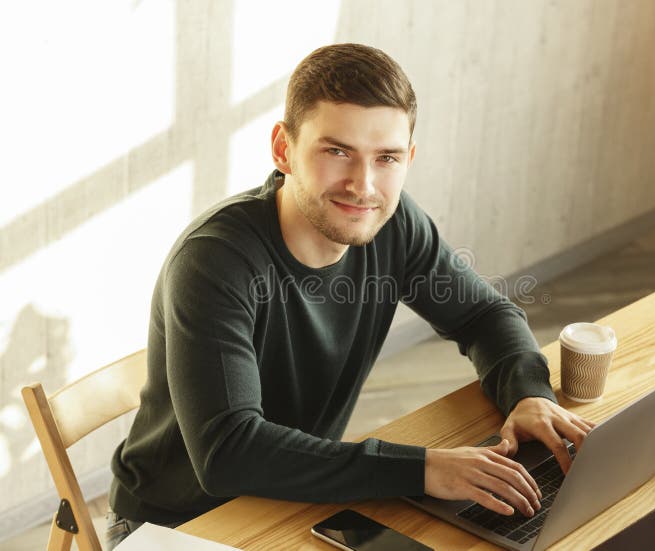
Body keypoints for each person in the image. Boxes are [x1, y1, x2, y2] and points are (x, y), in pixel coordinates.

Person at [106, 43, 595, 548]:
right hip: (176, 522)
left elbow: (484, 314)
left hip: (298, 495)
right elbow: (229, 453)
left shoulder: (395, 222)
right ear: (283, 149)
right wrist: (423, 468)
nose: (363, 186)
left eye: (386, 158)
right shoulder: (214, 260)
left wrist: (528, 392)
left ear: (408, 158)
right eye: (337, 151)